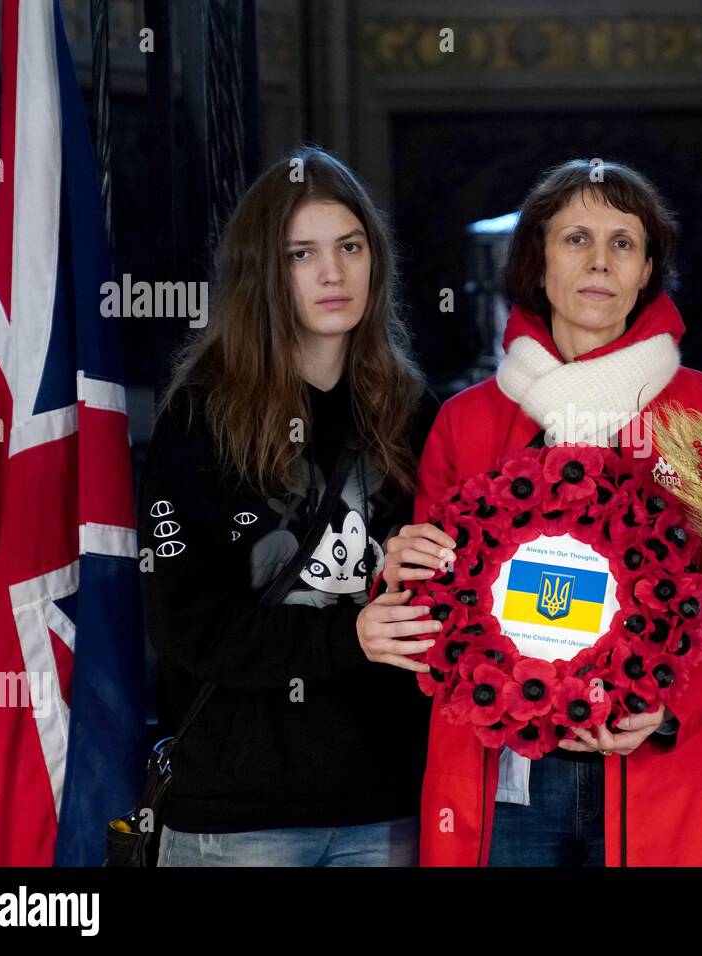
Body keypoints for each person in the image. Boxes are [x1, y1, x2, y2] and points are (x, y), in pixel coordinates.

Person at [382, 159, 702, 866]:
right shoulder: (465, 422)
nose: (600, 261)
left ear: (649, 269)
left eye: (624, 242)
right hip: (504, 778)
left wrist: (671, 707)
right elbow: (424, 596)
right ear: (536, 261)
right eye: (575, 239)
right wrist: (392, 591)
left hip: (658, 766)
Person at [138, 146, 440, 866]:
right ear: (263, 274)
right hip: (239, 815)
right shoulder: (200, 416)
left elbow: (454, 604)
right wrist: (350, 637)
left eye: (350, 246)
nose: (333, 273)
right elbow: (188, 626)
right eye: (301, 254)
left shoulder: (410, 412)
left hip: (387, 806)